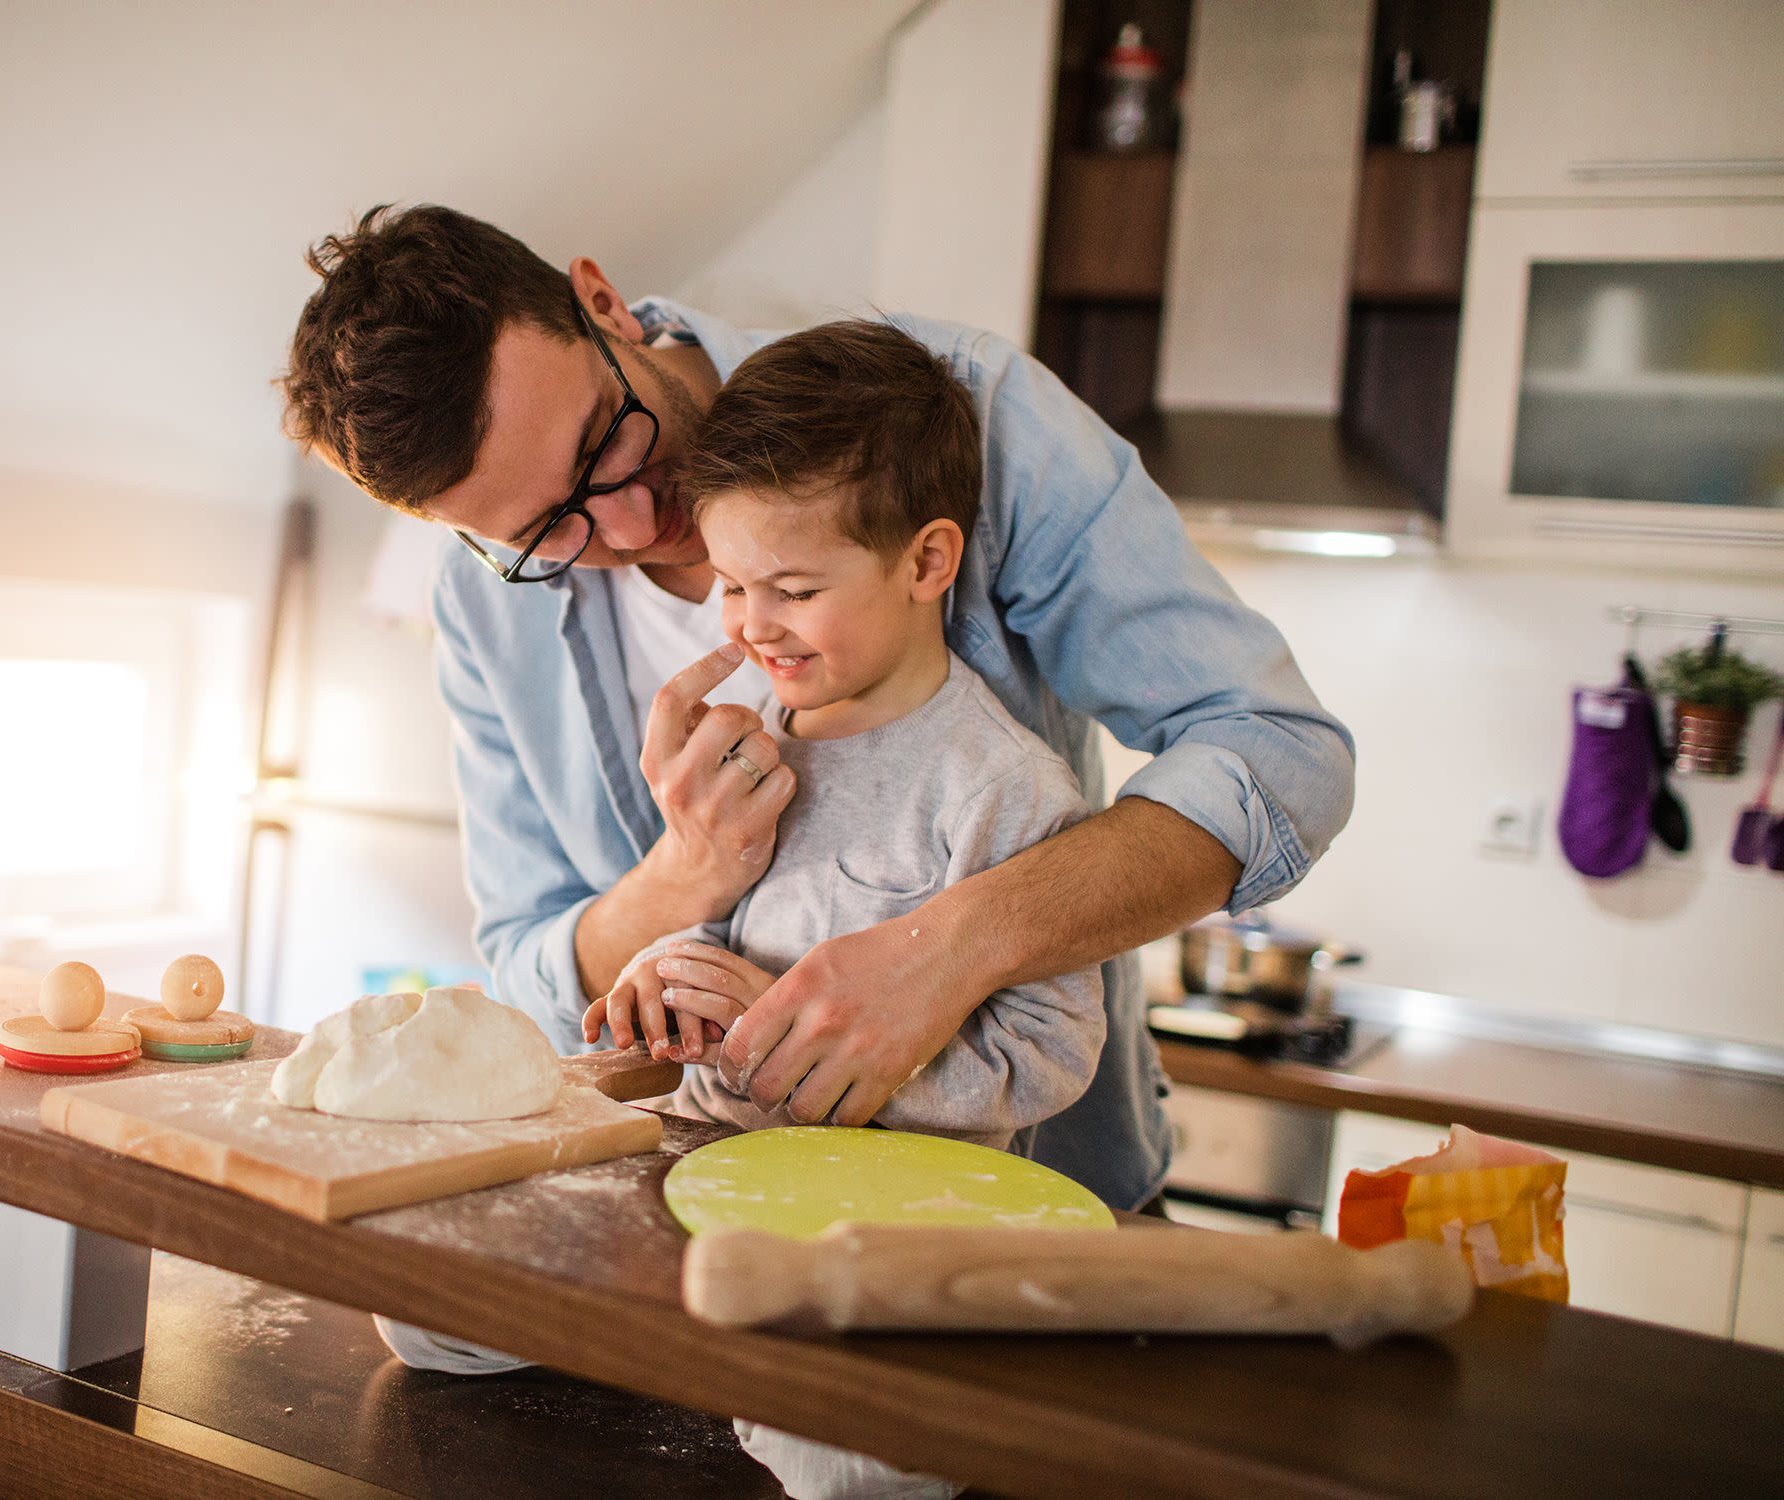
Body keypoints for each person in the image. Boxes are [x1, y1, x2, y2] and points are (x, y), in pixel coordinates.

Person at [280, 202, 1355, 1218]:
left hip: (1030, 1213)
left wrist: (948, 950)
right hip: (696, 1216)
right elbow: (529, 971)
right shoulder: (482, 599)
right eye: (543, 532)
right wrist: (681, 883)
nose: (631, 523)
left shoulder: (965, 416)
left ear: (603, 304)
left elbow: (1277, 752)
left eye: (605, 440)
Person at [583, 320, 1106, 1162]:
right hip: (711, 1186)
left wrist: (779, 1032)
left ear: (926, 563)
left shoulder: (1001, 787)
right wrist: (670, 974)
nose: (753, 627)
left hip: (900, 1220)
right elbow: (720, 932)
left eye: (793, 591)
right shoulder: (744, 746)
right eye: (730, 587)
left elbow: (1044, 1057)